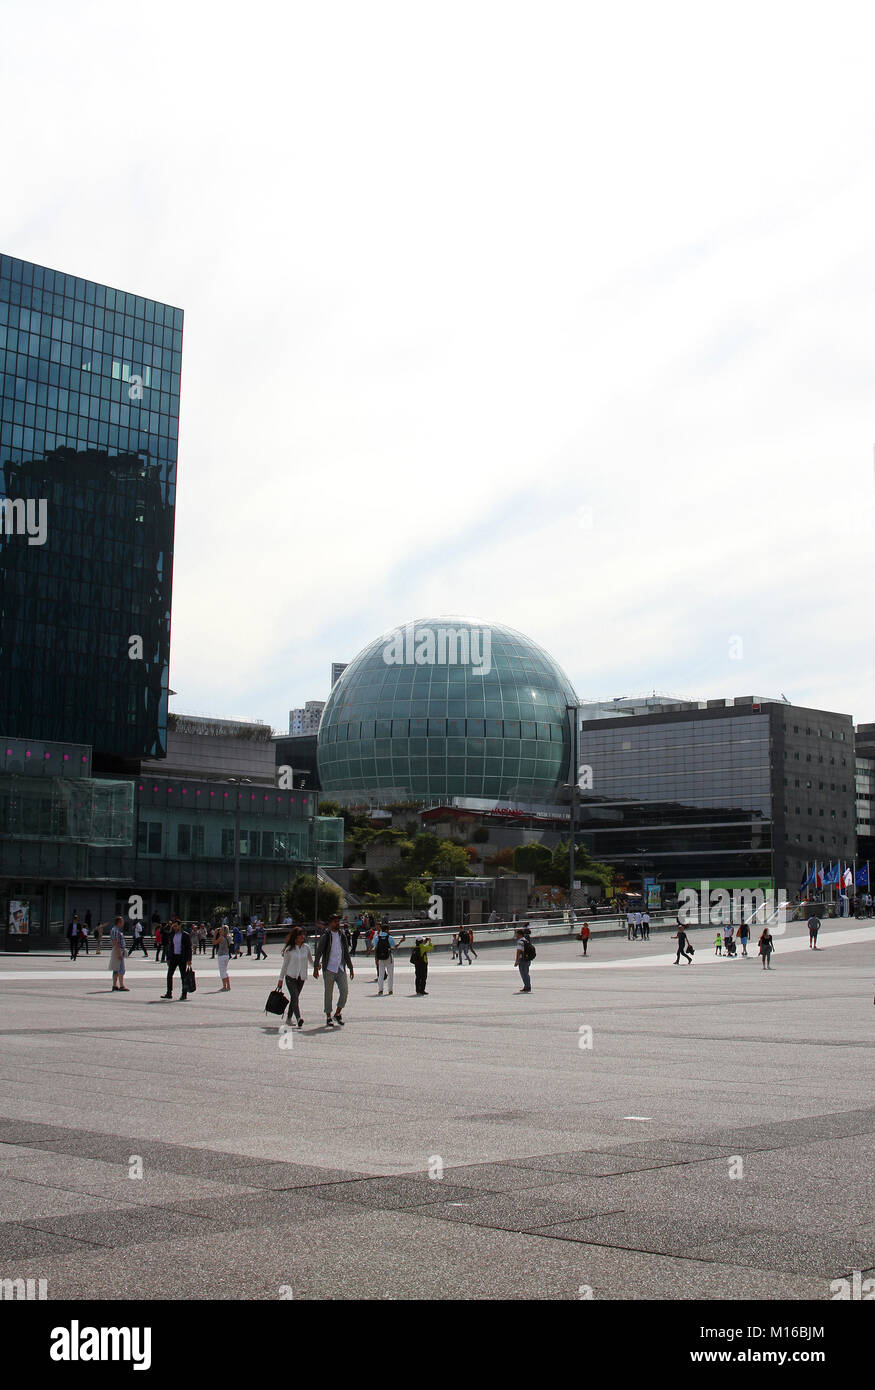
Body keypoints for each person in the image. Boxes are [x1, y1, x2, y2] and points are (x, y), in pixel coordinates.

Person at [313, 916, 354, 1027]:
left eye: (338, 922)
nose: (338, 924)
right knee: (328, 993)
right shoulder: (326, 936)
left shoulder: (342, 935)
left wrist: (350, 967)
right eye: (335, 922)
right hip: (329, 969)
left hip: (340, 968)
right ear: (330, 923)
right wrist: (316, 967)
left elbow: (345, 952)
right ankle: (328, 1016)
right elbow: (319, 952)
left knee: (344, 991)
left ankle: (337, 1013)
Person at [277, 927, 313, 1027]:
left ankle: (288, 1019)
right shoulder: (289, 950)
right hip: (290, 977)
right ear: (295, 937)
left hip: (301, 978)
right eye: (300, 935)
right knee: (295, 997)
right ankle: (298, 1018)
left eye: (303, 935)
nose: (303, 937)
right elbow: (284, 966)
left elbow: (310, 961)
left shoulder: (306, 948)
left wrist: (317, 966)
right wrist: (280, 979)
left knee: (294, 998)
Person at [162, 920, 193, 1000]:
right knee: (169, 975)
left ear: (180, 926)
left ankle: (184, 994)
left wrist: (189, 959)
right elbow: (170, 947)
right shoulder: (172, 935)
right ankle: (169, 993)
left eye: (176, 926)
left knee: (183, 976)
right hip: (173, 957)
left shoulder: (185, 935)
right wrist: (168, 958)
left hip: (182, 958)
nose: (174, 928)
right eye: (173, 926)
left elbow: (189, 948)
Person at [374, 923, 406, 994]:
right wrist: (401, 941)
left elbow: (375, 949)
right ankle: (390, 990)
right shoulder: (389, 937)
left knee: (381, 975)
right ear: (386, 930)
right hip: (389, 957)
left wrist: (376, 959)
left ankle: (380, 989)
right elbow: (394, 947)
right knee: (390, 974)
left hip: (380, 958)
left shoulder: (377, 937)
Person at [109, 917, 129, 992]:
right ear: (119, 922)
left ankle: (115, 985)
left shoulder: (115, 930)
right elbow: (115, 942)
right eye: (122, 921)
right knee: (121, 969)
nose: (123, 923)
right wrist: (119, 954)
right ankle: (121, 985)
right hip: (118, 950)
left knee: (116, 969)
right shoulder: (115, 931)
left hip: (118, 950)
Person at [514, 926, 535, 993]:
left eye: (516, 934)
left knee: (524, 973)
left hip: (523, 959)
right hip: (527, 959)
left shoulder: (520, 941)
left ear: (520, 934)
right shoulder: (525, 940)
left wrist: (516, 960)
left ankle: (527, 987)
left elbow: (519, 951)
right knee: (526, 973)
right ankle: (527, 986)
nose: (515, 935)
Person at [215, 922, 231, 991]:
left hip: (221, 955)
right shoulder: (229, 937)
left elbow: (214, 942)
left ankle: (224, 986)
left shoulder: (221, 938)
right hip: (227, 955)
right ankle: (228, 985)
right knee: (225, 970)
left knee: (222, 971)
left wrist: (215, 934)